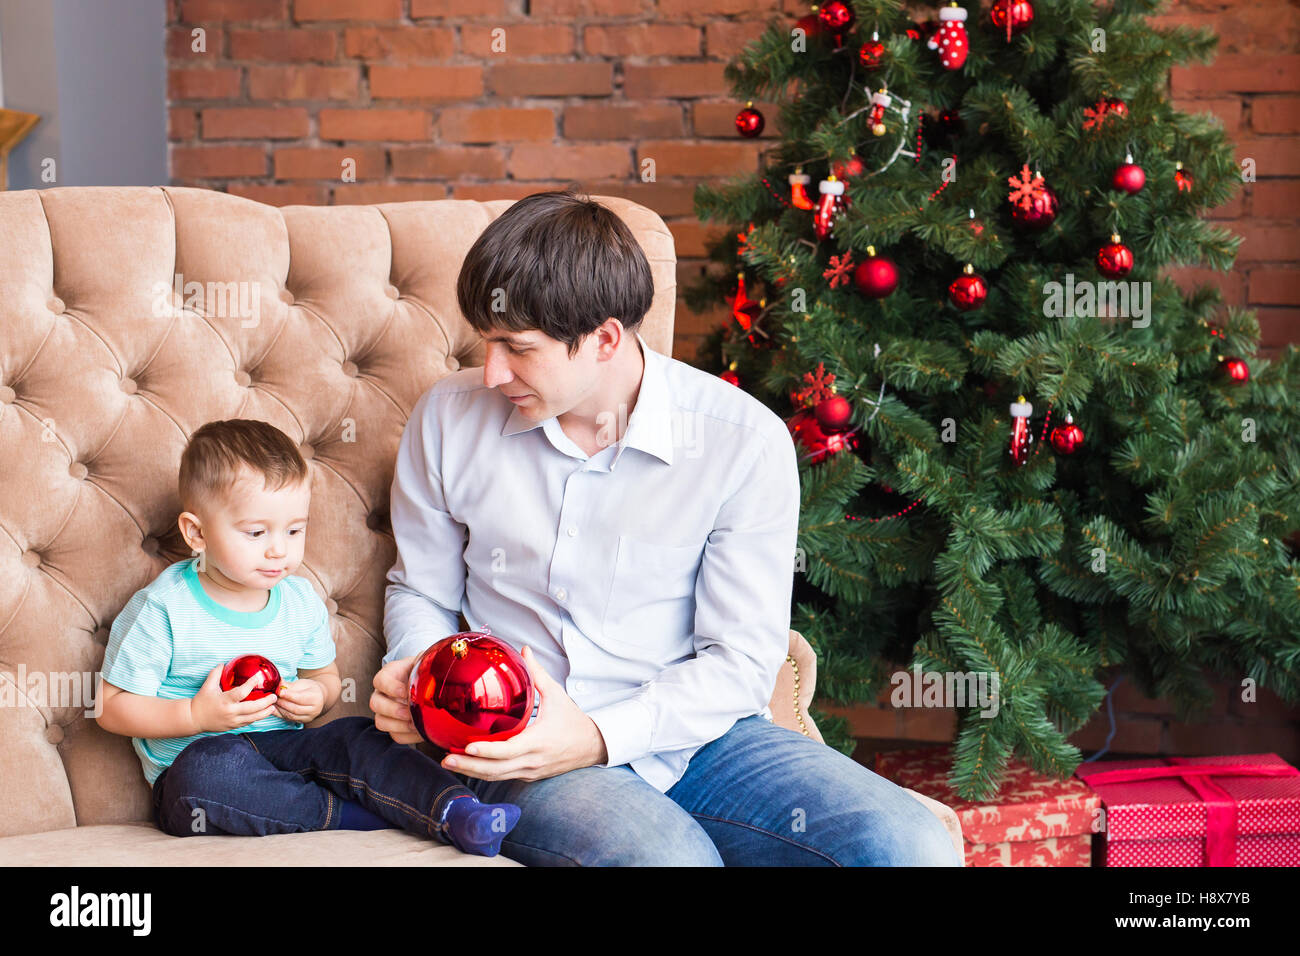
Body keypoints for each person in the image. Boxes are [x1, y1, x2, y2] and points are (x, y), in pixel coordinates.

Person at [369, 186, 962, 866]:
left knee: (908, 845)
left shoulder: (742, 443)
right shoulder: (448, 418)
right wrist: (419, 673)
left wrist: (597, 734)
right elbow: (422, 590)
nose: (492, 371)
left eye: (517, 348)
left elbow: (739, 662)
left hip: (701, 739)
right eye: (487, 343)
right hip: (519, 742)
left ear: (605, 339)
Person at [96, 419, 521, 856]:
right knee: (204, 777)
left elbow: (325, 676)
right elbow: (110, 708)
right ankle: (355, 816)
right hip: (200, 764)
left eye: (294, 530)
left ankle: (458, 811)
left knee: (357, 735)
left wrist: (317, 695)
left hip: (286, 748)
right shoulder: (164, 607)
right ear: (197, 533)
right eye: (256, 533)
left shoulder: (298, 600)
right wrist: (195, 715)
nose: (279, 550)